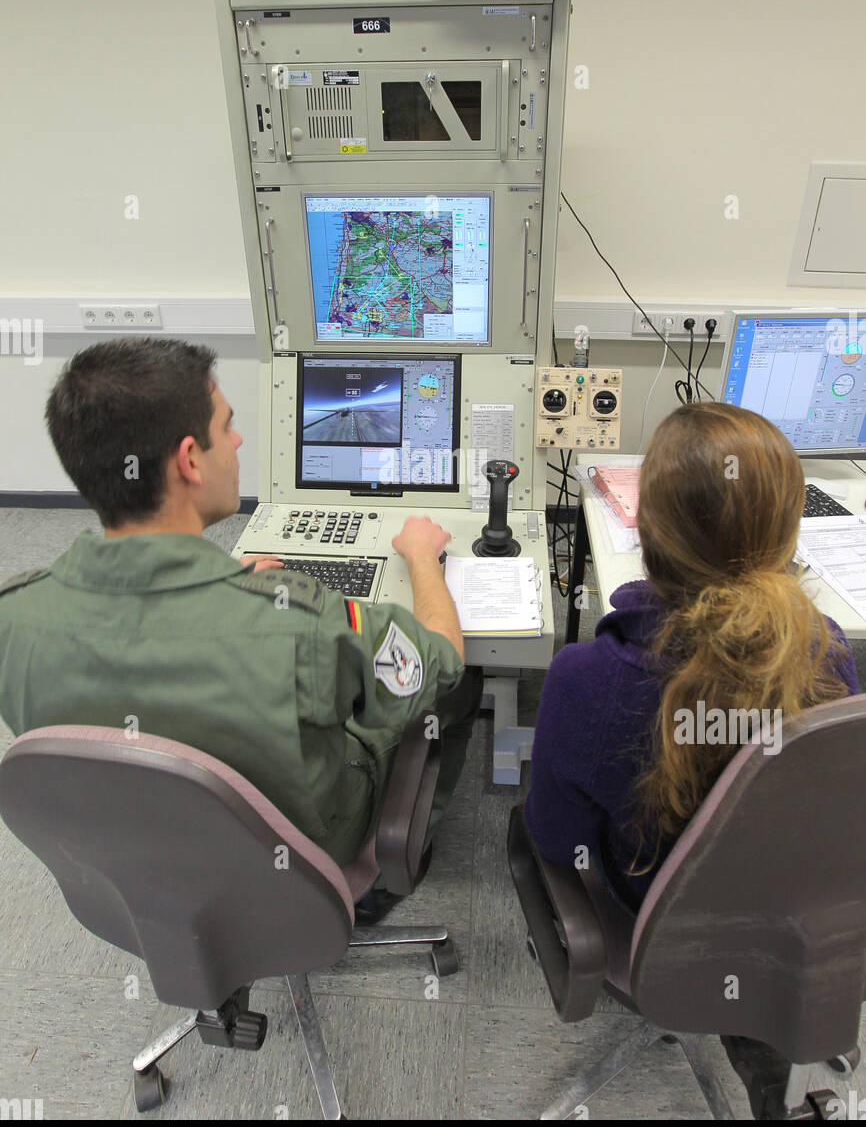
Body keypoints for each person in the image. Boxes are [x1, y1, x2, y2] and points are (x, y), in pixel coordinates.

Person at [0, 338, 481, 917]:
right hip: (296, 857)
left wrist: (217, 583)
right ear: (190, 460)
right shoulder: (301, 624)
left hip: (128, 865)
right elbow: (439, 658)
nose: (239, 440)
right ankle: (380, 881)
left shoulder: (15, 616)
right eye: (226, 426)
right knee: (457, 689)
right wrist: (422, 557)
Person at [524, 402, 858, 911]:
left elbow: (558, 842)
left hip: (652, 914)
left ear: (649, 531)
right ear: (786, 533)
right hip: (786, 914)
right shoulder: (826, 649)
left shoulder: (586, 677)